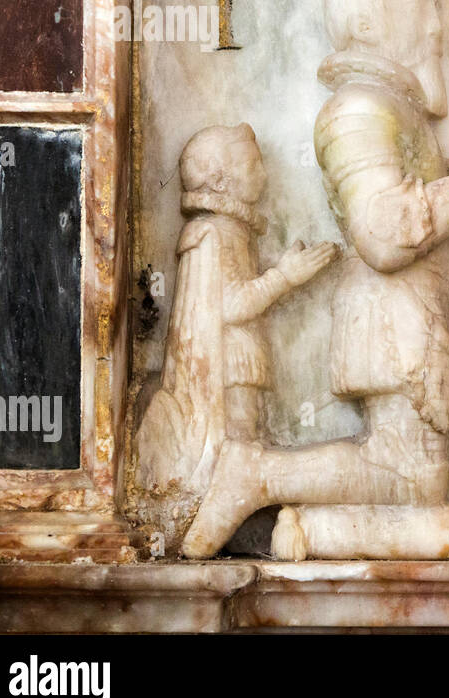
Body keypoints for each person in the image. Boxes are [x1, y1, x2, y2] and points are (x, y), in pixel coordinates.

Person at [181, 0, 449, 559]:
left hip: (410, 314)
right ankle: (258, 476)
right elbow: (384, 233)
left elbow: (426, 215)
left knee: (415, 481)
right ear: (370, 26)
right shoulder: (358, 110)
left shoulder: (385, 108)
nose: (439, 29)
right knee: (411, 476)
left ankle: (300, 527)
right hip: (392, 321)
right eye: (422, 11)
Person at [136, 124, 337, 505]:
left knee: (248, 445)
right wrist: (284, 277)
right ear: (221, 182)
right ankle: (217, 516)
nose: (262, 174)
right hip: (227, 365)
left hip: (241, 361)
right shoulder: (212, 234)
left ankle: (231, 512)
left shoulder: (230, 230)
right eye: (253, 165)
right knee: (239, 453)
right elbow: (228, 305)